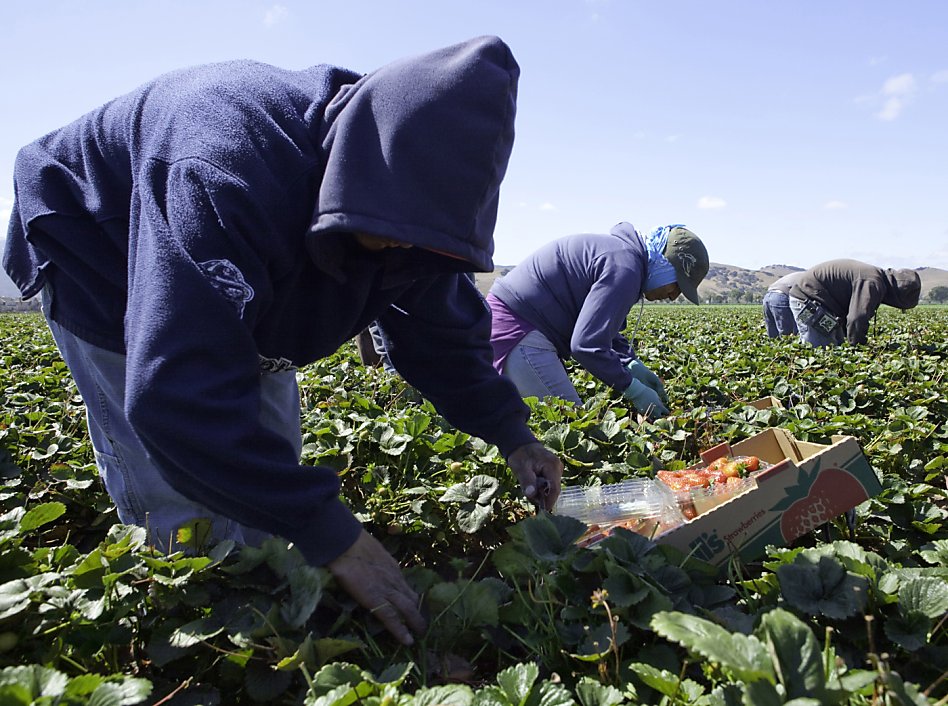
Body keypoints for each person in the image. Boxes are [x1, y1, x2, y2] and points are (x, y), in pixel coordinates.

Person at [2, 36, 564, 646]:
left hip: (248, 271)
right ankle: (208, 636)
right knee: (185, 496)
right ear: (354, 174)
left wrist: (513, 433)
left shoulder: (415, 213)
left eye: (418, 238)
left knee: (267, 468)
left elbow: (445, 338)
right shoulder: (219, 164)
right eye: (385, 230)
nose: (402, 248)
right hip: (102, 261)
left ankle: (273, 606)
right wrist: (334, 533)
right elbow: (176, 398)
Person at [485, 223, 709, 417]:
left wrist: (630, 363)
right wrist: (633, 389)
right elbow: (586, 345)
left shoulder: (624, 258)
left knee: (555, 421)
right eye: (677, 285)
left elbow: (603, 329)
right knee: (572, 424)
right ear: (664, 267)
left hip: (519, 326)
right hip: (518, 330)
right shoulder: (625, 268)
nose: (673, 296)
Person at [787, 259, 921, 347]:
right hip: (806, 302)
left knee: (837, 344)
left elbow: (850, 316)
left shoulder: (876, 277)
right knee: (821, 348)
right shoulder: (872, 282)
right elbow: (857, 318)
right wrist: (859, 347)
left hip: (814, 301)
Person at [762, 271, 804, 337]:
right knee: (788, 334)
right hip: (781, 296)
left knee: (773, 335)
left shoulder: (803, 275)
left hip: (768, 296)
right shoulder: (810, 280)